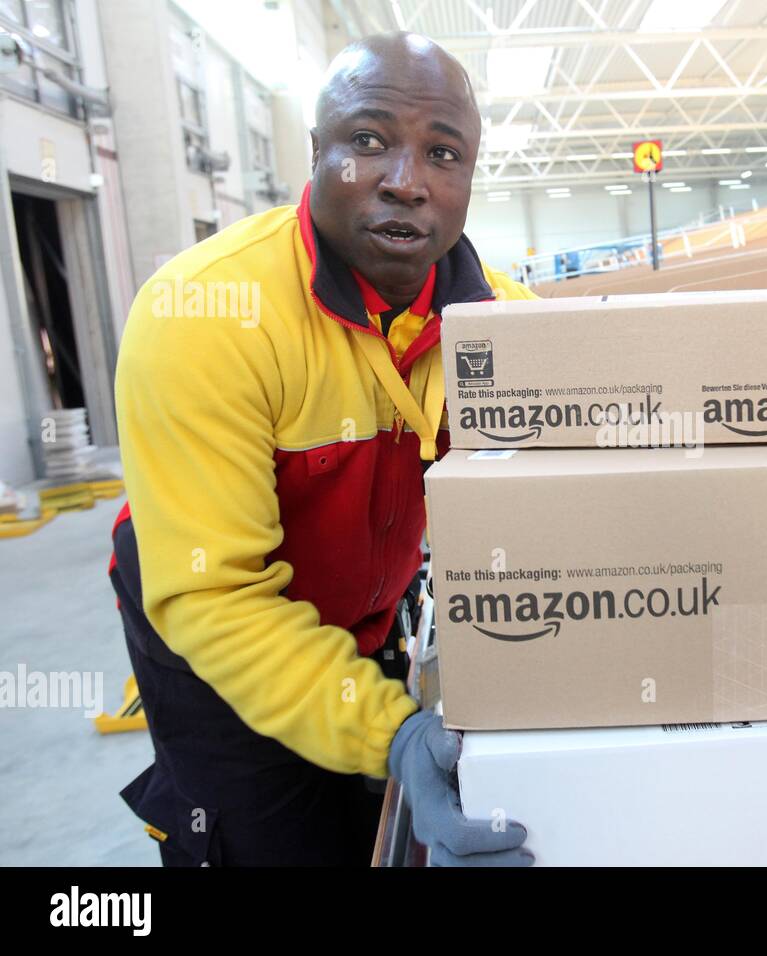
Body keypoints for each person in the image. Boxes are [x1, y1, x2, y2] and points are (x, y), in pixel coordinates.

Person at [109, 32, 533, 866]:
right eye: (368, 142)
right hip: (211, 621)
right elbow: (217, 597)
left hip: (367, 606)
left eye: (442, 153)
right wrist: (390, 731)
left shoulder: (504, 327)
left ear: (470, 179)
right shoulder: (205, 316)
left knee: (365, 826)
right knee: (262, 839)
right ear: (316, 154)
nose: (406, 182)